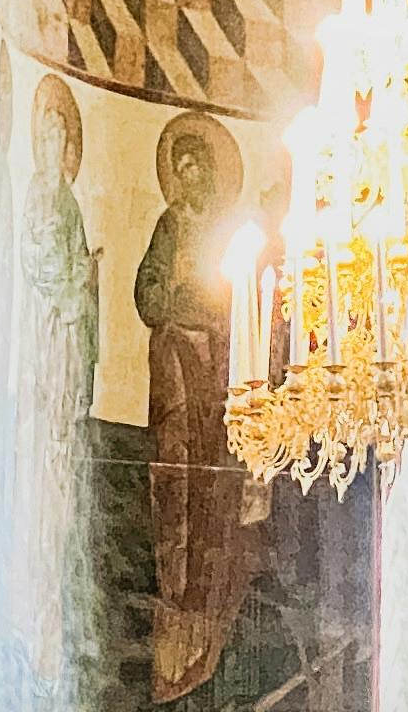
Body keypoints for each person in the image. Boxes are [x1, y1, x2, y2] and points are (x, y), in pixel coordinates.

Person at [134, 112, 257, 703]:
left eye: (197, 168)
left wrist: (211, 309)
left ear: (212, 175)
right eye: (180, 169)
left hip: (218, 373)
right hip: (178, 371)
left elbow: (243, 308)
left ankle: (209, 609)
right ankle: (175, 604)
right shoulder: (170, 225)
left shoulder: (234, 235)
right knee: (177, 480)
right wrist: (179, 299)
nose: (189, 178)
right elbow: (148, 296)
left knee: (216, 492)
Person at [8, 74, 100, 708]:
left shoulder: (67, 200)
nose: (52, 146)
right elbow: (41, 264)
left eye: (60, 137)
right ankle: (33, 628)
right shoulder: (41, 197)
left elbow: (69, 270)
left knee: (60, 483)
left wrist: (85, 280)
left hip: (64, 345)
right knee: (45, 479)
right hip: (44, 347)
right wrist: (75, 288)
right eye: (44, 135)